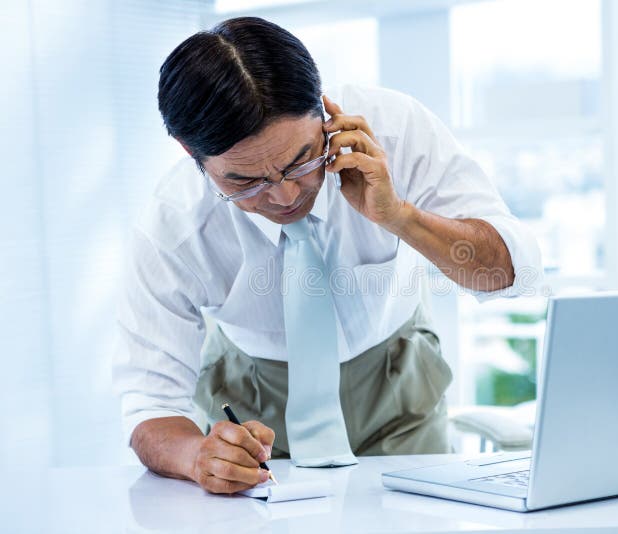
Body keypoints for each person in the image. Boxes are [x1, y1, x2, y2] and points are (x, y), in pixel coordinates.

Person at [113, 16, 541, 494]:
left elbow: (508, 275)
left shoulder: (396, 131)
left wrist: (398, 216)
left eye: (302, 159)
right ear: (189, 150)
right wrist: (198, 457)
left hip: (398, 386)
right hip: (253, 404)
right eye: (245, 182)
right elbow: (149, 405)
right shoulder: (172, 226)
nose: (285, 196)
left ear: (323, 109)